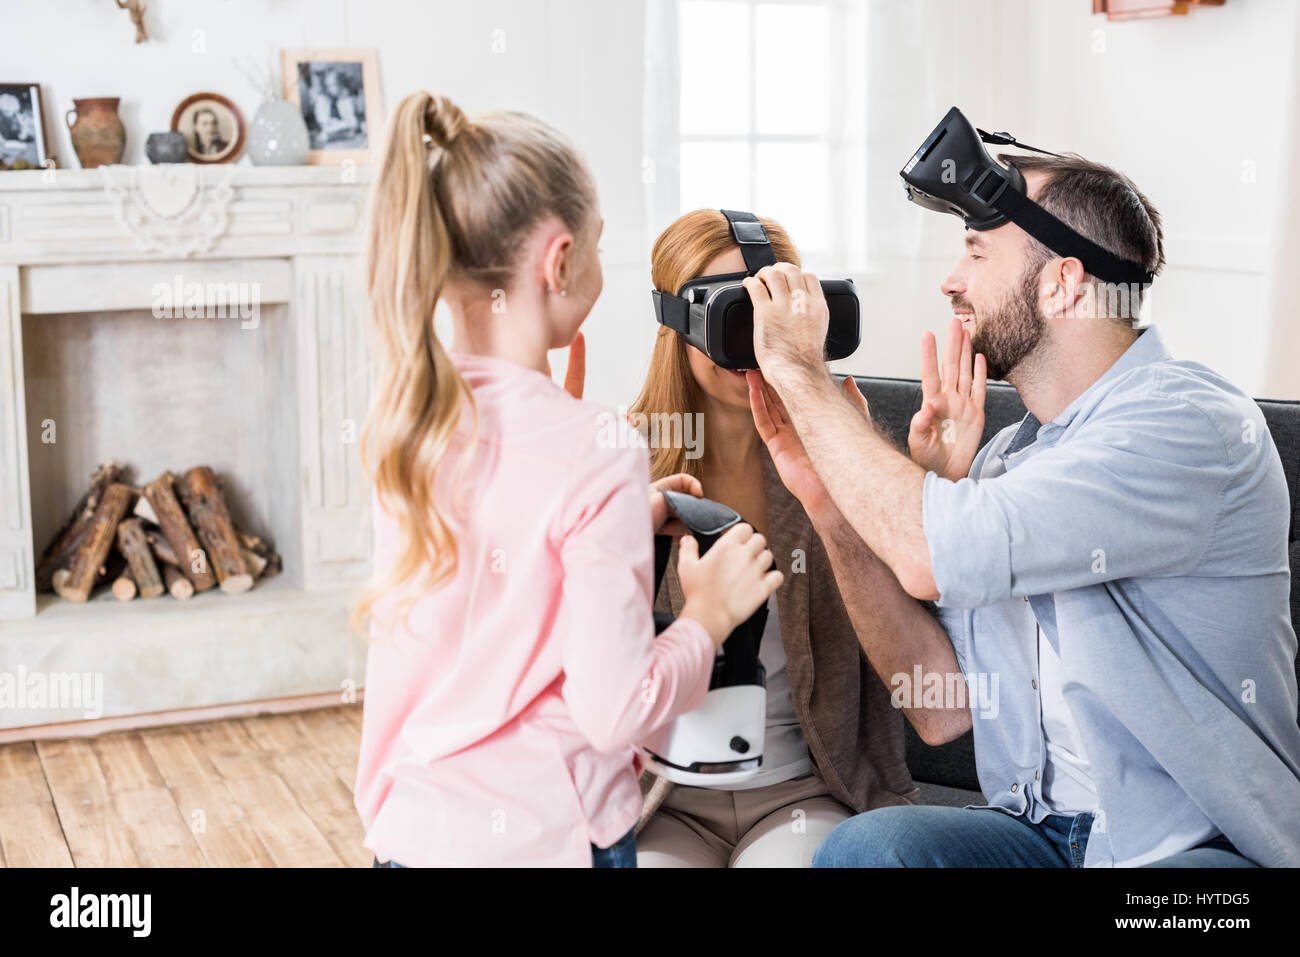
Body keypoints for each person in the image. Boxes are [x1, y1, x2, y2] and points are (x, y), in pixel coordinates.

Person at [743, 151, 1300, 867]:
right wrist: (827, 503)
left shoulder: (1189, 425)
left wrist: (799, 370)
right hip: (1040, 833)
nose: (951, 280)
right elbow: (938, 706)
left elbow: (932, 548)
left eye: (977, 252)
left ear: (1064, 282)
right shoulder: (1008, 458)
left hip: (1201, 855)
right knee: (870, 849)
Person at [352, 92, 782, 867]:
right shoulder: (593, 444)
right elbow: (616, 710)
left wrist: (623, 517)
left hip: (410, 832)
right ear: (558, 261)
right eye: (598, 247)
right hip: (546, 838)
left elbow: (485, 597)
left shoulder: (404, 425)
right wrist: (708, 617)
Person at [627, 210, 918, 867]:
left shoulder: (837, 452)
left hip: (801, 789)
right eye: (736, 313)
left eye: (773, 311)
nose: (755, 339)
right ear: (677, 320)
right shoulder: (622, 459)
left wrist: (931, 482)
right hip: (659, 793)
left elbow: (911, 619)